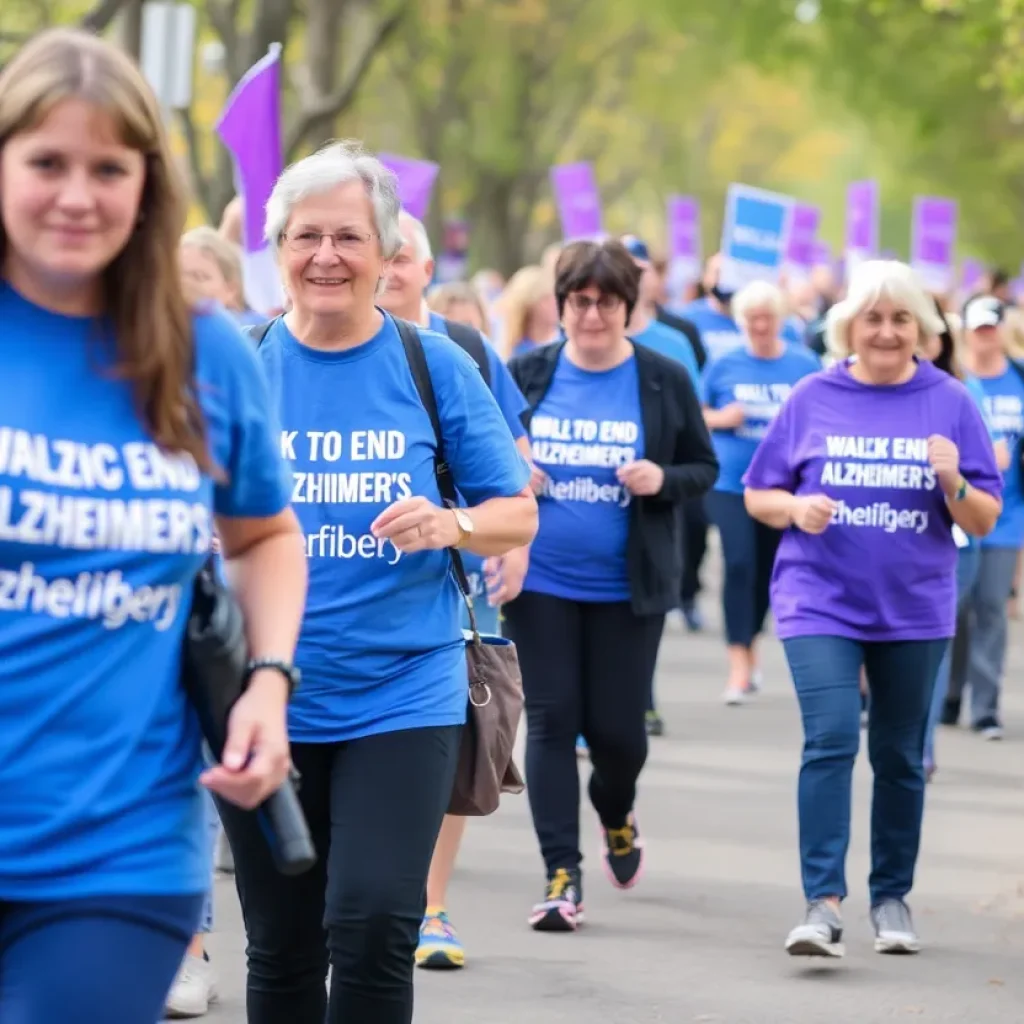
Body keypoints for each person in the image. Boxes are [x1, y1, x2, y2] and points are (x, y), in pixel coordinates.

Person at [0, 28, 306, 1023]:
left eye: (107, 167)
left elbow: (263, 535)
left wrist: (267, 683)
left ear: (147, 183)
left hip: (116, 848)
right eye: (46, 161)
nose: (77, 195)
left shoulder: (206, 350)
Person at [221, 140, 537, 1024]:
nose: (326, 256)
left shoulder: (432, 365)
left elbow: (516, 510)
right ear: (278, 249)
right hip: (264, 695)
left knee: (371, 924)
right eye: (306, 236)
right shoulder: (240, 370)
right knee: (281, 946)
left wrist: (452, 524)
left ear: (388, 253)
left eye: (349, 238)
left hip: (404, 691)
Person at [743, 260, 1001, 958]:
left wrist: (951, 480)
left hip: (914, 608)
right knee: (830, 738)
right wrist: (796, 506)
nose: (886, 332)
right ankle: (821, 903)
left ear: (922, 328)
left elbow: (983, 517)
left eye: (901, 319)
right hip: (818, 599)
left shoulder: (949, 401)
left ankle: (892, 898)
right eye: (873, 318)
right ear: (847, 326)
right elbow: (758, 493)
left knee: (899, 756)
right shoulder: (810, 395)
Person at [506, 239, 719, 931]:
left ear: (629, 308)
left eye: (606, 302)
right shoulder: (526, 374)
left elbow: (702, 467)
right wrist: (514, 472)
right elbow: (478, 456)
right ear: (561, 305)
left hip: (630, 587)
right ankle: (561, 874)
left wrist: (662, 479)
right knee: (551, 719)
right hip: (540, 581)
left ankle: (617, 813)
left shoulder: (662, 379)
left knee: (619, 736)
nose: (592, 315)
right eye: (579, 301)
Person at [378, 210, 533, 971]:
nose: (393, 267)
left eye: (407, 255)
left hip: (460, 589)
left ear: (428, 266)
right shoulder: (296, 346)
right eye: (387, 253)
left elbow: (516, 466)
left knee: (448, 746)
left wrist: (493, 541)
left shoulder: (464, 350)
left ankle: (431, 907)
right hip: (342, 605)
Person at [701, 281, 819, 705]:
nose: (760, 326)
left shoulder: (804, 364)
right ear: (741, 322)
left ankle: (751, 644)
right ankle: (738, 663)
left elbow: (822, 416)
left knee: (769, 572)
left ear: (781, 320)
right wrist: (721, 417)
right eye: (752, 319)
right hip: (731, 482)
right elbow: (696, 414)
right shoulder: (724, 364)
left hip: (783, 488)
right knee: (739, 564)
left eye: (768, 318)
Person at [920, 300, 1007, 778]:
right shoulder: (860, 390)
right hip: (886, 545)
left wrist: (955, 476)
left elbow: (987, 470)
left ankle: (923, 743)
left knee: (938, 635)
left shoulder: (961, 394)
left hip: (956, 540)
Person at [945, 295, 1024, 740]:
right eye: (978, 328)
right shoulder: (957, 380)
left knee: (992, 607)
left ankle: (986, 707)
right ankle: (951, 696)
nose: (985, 335)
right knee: (953, 608)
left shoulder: (1019, 378)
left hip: (1008, 514)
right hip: (960, 512)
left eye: (992, 327)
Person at [180, 225, 265, 328]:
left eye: (198, 277)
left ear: (231, 289)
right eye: (178, 277)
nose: (186, 285)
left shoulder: (257, 333)